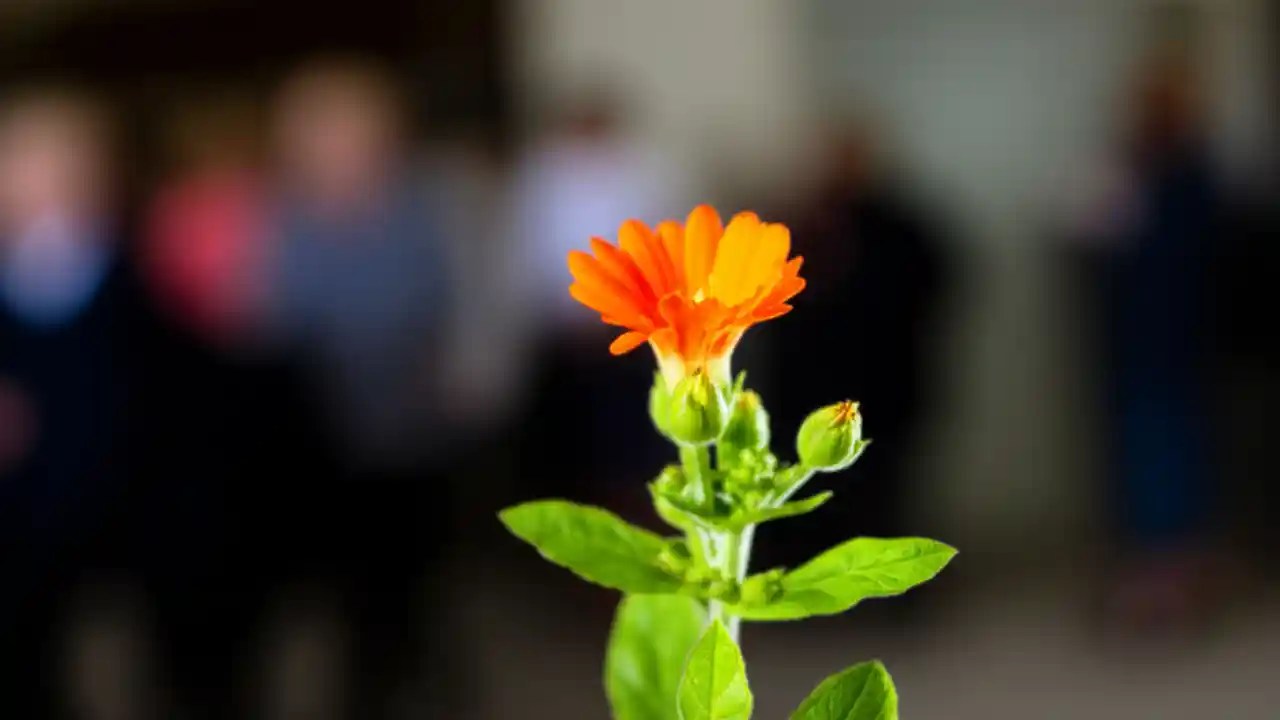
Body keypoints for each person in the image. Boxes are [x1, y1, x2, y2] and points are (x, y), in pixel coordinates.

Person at [263, 58, 454, 718]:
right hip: (318, 444)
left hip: (412, 436)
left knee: (416, 595)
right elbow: (271, 322)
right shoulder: (280, 221)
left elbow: (441, 309)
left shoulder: (422, 211)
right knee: (343, 603)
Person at [760, 121, 951, 577]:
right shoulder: (803, 222)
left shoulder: (904, 228)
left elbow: (929, 291)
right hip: (809, 390)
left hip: (884, 384)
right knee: (814, 491)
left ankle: (886, 585)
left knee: (884, 490)